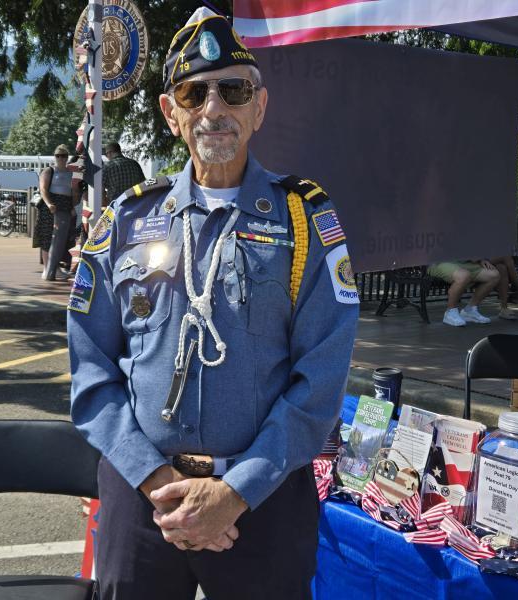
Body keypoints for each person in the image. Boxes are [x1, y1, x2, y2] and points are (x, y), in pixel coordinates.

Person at [68, 9, 359, 600]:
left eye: (233, 90)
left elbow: (321, 376)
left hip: (263, 497)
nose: (213, 109)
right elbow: (91, 367)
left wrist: (233, 493)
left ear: (260, 107)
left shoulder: (304, 221)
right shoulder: (123, 221)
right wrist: (157, 482)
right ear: (170, 113)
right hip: (144, 497)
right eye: (193, 93)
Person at [34, 144, 75, 281]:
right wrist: (49, 203)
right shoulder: (49, 171)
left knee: (61, 239)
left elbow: (74, 191)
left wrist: (73, 205)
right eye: (58, 155)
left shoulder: (71, 173)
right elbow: (43, 189)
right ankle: (47, 268)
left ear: (67, 157)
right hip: (50, 207)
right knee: (47, 237)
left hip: (65, 206)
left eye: (63, 156)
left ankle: (55, 268)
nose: (61, 158)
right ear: (55, 157)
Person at [428, 259, 500, 326]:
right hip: (440, 262)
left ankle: (470, 310)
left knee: (494, 275)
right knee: (463, 275)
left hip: (464, 263)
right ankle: (450, 312)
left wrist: (481, 259)